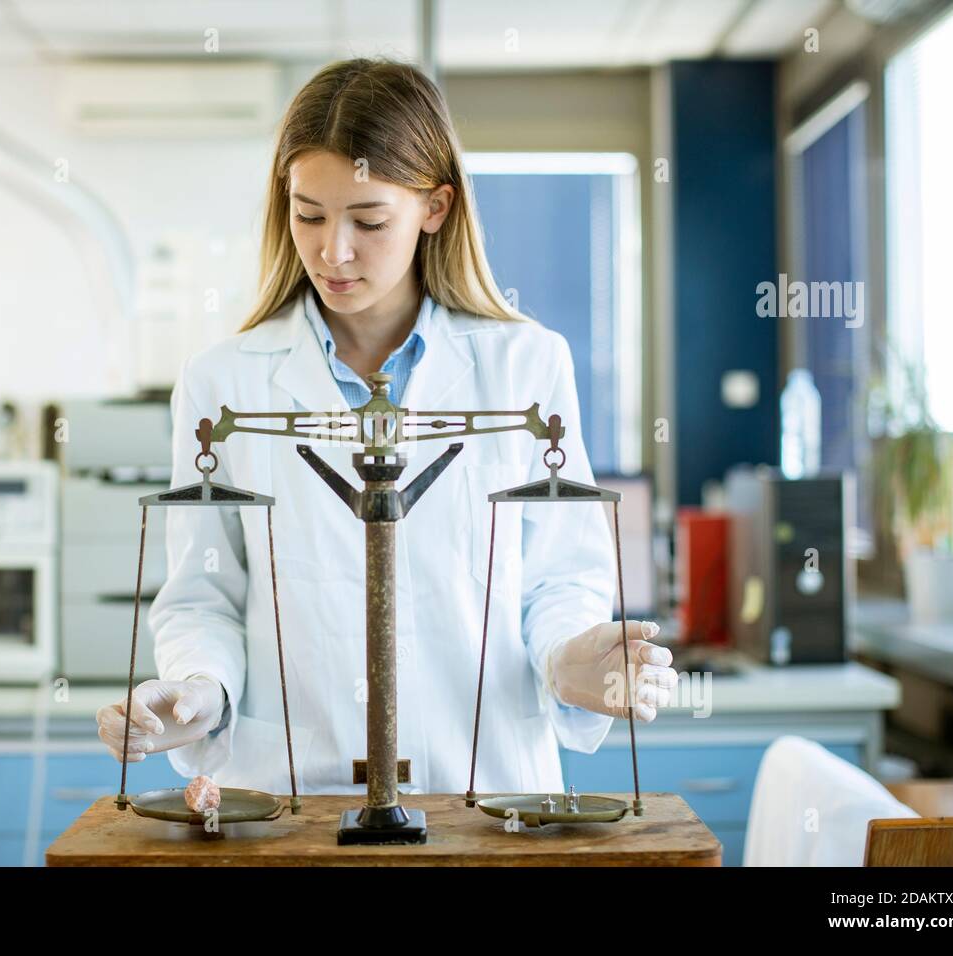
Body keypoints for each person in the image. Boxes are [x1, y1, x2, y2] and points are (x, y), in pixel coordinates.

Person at [97, 57, 676, 796]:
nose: (333, 252)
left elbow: (559, 578)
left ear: (435, 206)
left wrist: (570, 659)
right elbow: (206, 595)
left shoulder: (526, 366)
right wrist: (198, 690)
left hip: (487, 790)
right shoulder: (225, 384)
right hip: (295, 795)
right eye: (309, 215)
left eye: (369, 220)